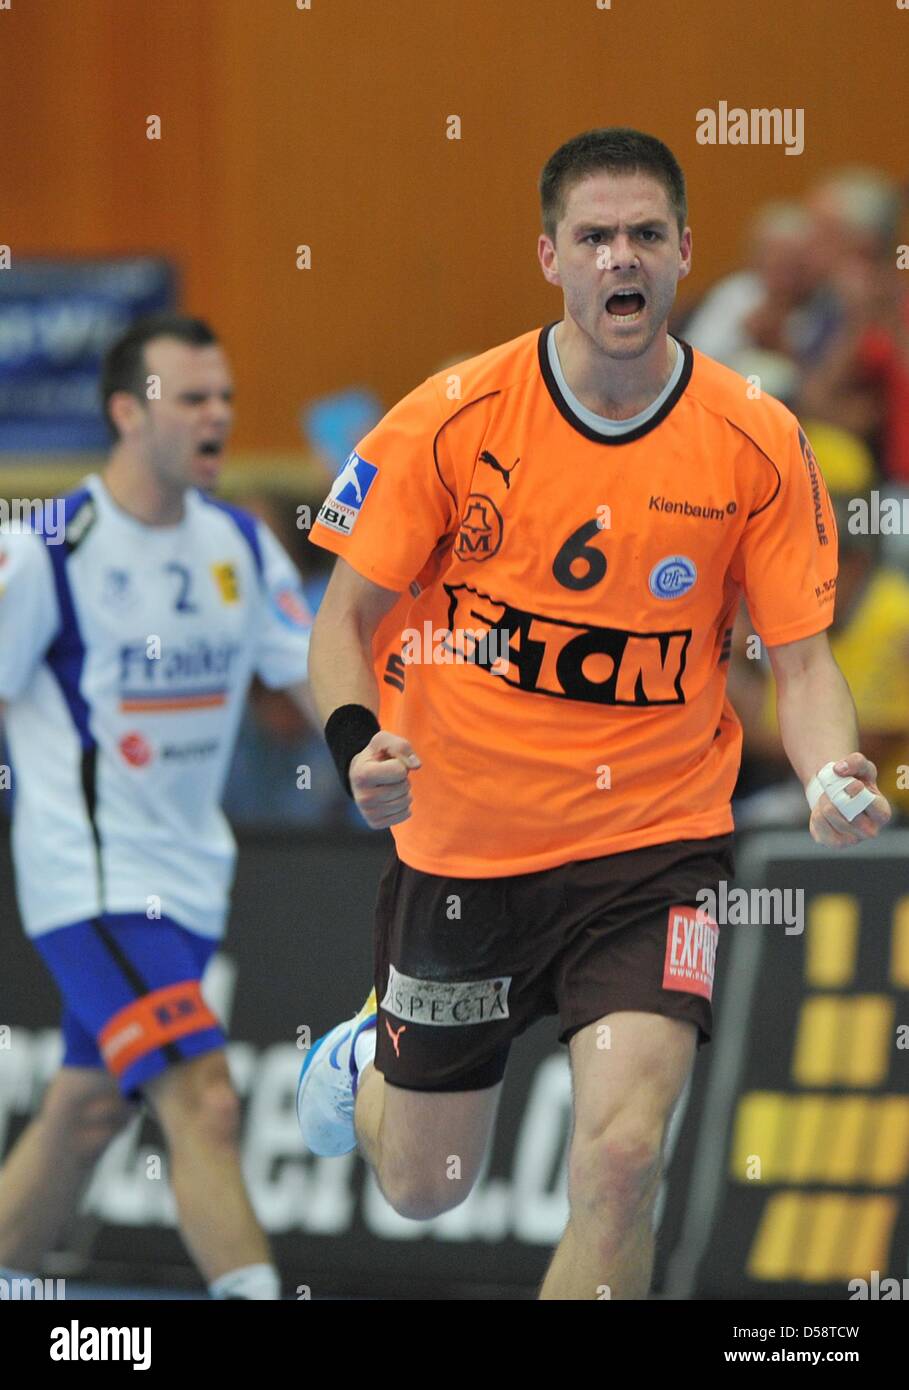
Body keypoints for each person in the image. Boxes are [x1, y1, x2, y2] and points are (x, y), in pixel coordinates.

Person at [296, 127, 891, 1301]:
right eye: (595, 237)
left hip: (652, 851)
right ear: (551, 258)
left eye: (645, 236)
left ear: (683, 255)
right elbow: (342, 617)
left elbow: (805, 663)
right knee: (427, 1182)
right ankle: (366, 1047)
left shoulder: (756, 439)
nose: (622, 258)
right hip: (466, 847)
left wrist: (834, 772)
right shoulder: (455, 417)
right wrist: (358, 744)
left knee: (622, 1162)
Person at [0, 312, 314, 1299]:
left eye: (224, 397)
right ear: (127, 414)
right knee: (205, 1101)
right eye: (192, 399)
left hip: (188, 875)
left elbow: (318, 686)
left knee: (85, 1111)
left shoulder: (242, 544)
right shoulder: (44, 548)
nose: (216, 416)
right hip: (91, 876)